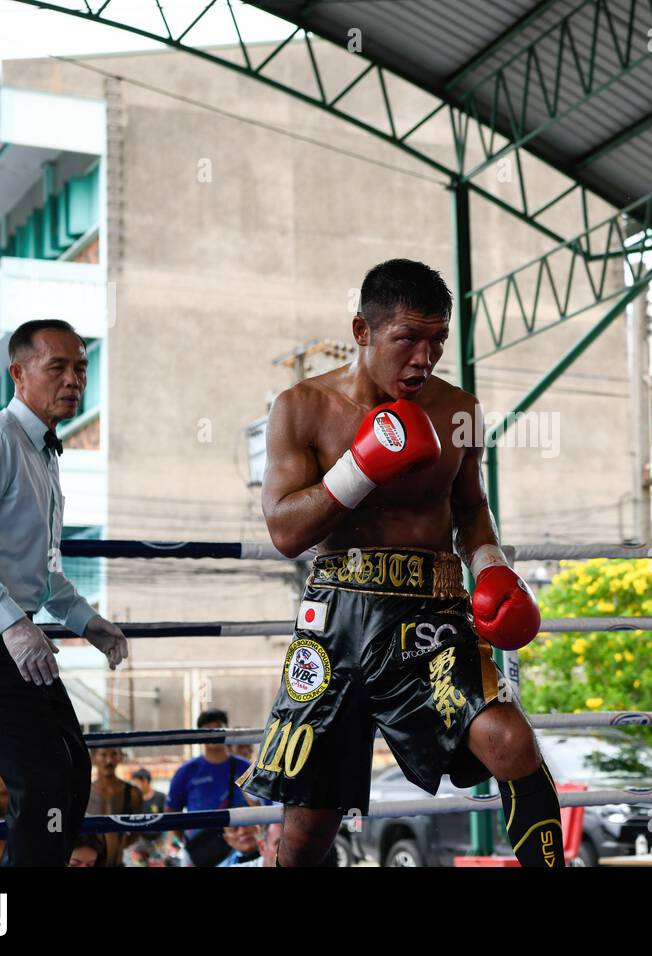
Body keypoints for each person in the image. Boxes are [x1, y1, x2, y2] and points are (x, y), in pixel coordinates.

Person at [240, 258, 560, 868]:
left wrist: (491, 567)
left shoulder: (459, 408)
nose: (424, 356)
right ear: (362, 331)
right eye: (407, 338)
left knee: (510, 739)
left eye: (437, 339)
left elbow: (472, 509)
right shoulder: (301, 407)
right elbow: (284, 530)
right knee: (308, 826)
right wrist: (360, 466)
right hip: (336, 624)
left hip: (431, 620)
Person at [0, 319, 129, 866]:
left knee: (72, 768)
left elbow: (43, 567)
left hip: (13, 635)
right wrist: (14, 624)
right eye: (56, 366)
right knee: (39, 781)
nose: (72, 380)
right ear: (19, 373)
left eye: (80, 368)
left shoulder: (43, 453)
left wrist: (87, 621)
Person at [167, 709, 253, 867]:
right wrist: (187, 841)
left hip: (240, 849)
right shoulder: (186, 771)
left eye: (218, 729)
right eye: (207, 730)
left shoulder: (245, 768)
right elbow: (171, 811)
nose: (213, 735)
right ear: (199, 734)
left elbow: (260, 806)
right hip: (198, 851)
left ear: (227, 731)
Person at [87, 747, 143, 866]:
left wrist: (120, 845)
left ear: (120, 757)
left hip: (118, 861)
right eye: (103, 755)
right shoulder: (84, 792)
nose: (109, 761)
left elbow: (137, 830)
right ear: (93, 758)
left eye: (114, 755)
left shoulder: (132, 793)